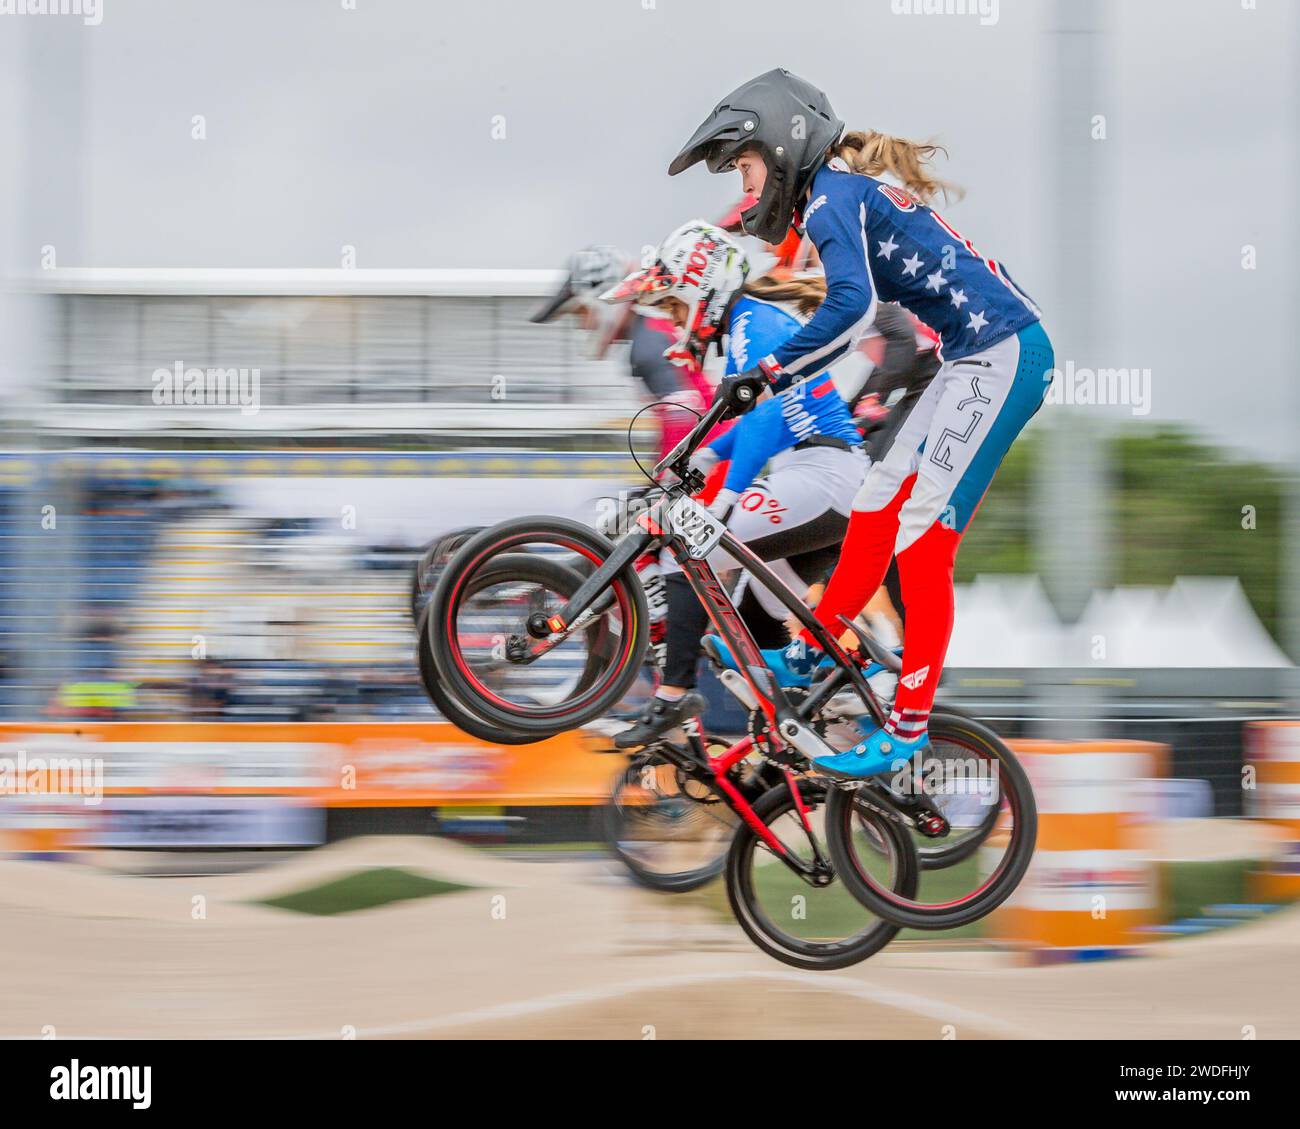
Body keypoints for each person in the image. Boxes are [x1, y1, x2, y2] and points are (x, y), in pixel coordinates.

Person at [669, 68, 1054, 778]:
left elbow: (848, 306)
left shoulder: (828, 202)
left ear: (782, 147)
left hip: (1000, 357)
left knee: (922, 542)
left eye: (746, 171)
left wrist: (771, 368)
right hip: (978, 355)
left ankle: (909, 728)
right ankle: (818, 645)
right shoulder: (838, 193)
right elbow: (860, 314)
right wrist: (773, 373)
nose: (747, 192)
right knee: (877, 500)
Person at [598, 220, 868, 749]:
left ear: (702, 289)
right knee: (748, 625)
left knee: (687, 552)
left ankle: (671, 698)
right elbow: (751, 422)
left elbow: (765, 423)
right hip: (819, 483)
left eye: (675, 308)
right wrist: (702, 454)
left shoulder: (752, 325)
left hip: (822, 478)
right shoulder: (751, 323)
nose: (675, 326)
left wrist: (724, 495)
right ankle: (812, 722)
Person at [532, 245, 713, 463]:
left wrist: (666, 479)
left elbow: (684, 414)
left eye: (582, 313)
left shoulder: (646, 344)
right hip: (710, 462)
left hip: (710, 469)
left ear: (602, 301)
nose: (582, 325)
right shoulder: (650, 330)